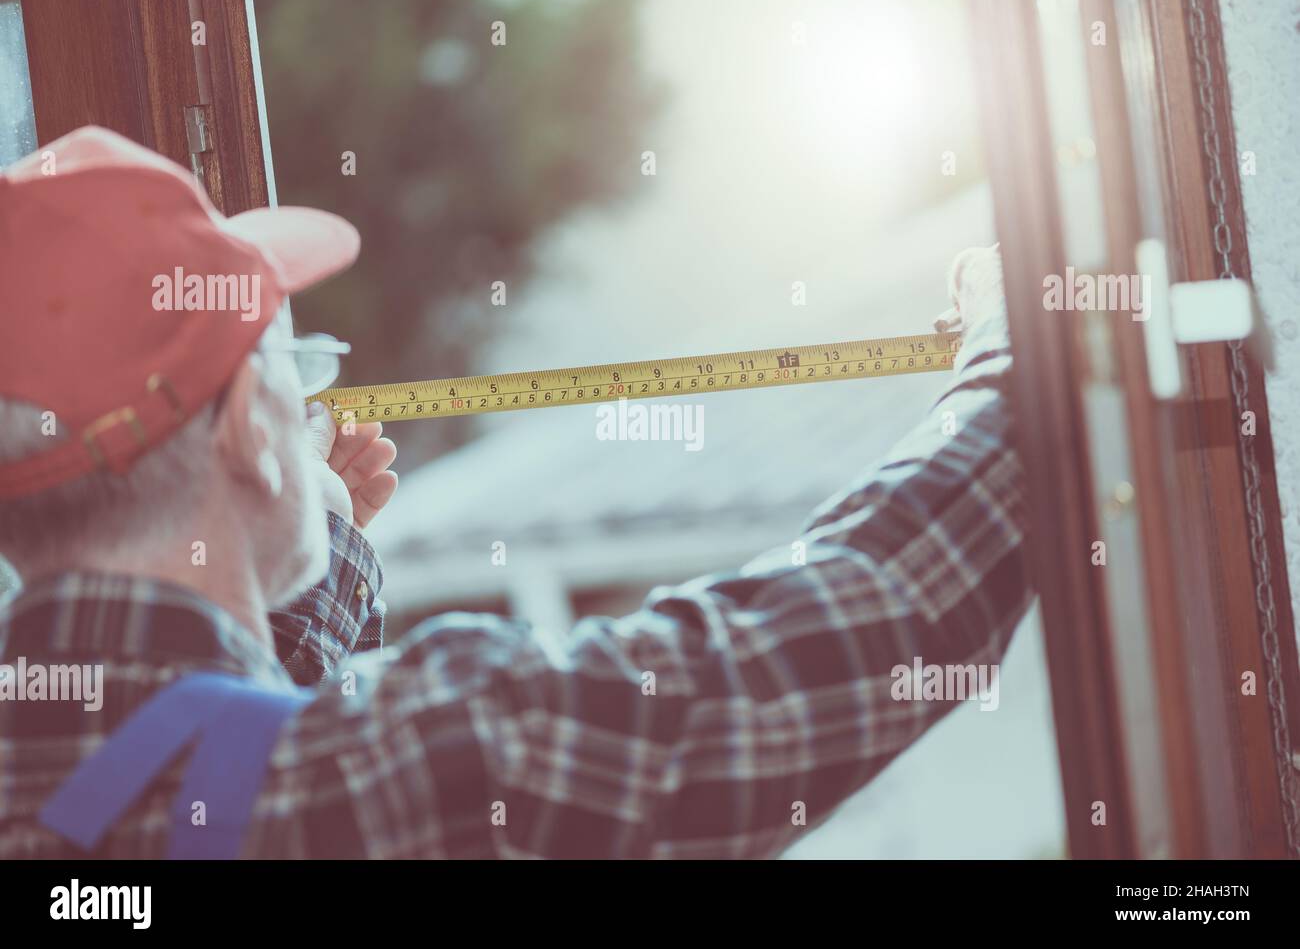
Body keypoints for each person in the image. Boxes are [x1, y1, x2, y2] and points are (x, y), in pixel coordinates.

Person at [0, 126, 1029, 858]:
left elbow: (199, 755)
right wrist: (1015, 353)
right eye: (289, 363)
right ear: (242, 428)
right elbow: (823, 645)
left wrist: (302, 548)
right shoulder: (415, 761)